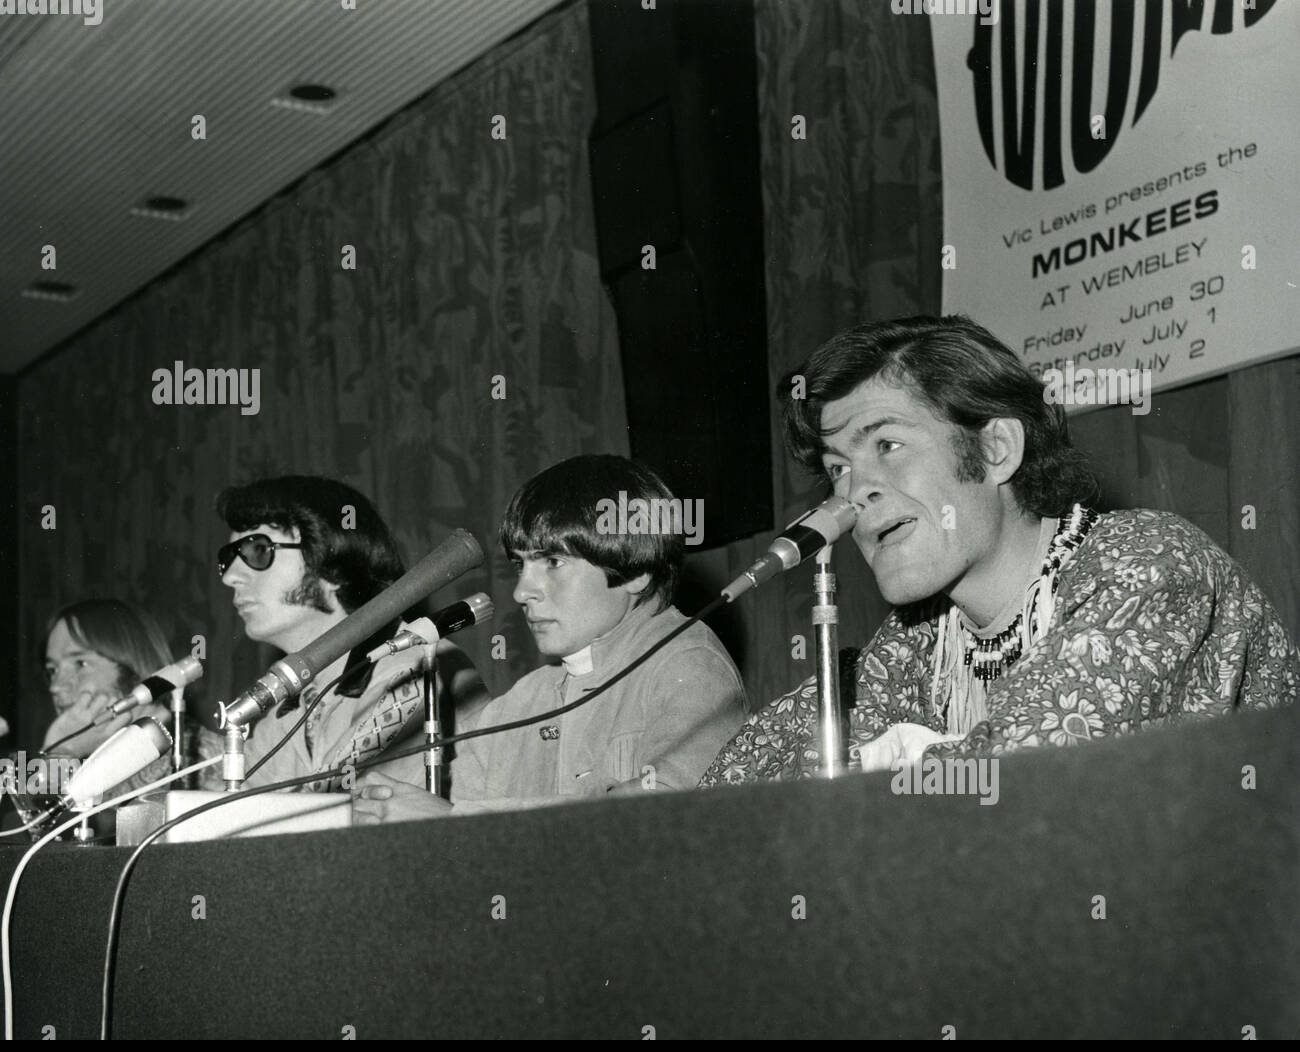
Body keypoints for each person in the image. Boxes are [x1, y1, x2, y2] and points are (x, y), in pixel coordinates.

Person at [699, 314, 1300, 785]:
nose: (853, 495)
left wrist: (899, 765)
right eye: (837, 469)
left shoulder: (1147, 563)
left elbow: (1029, 776)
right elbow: (737, 783)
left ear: (996, 450)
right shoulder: (919, 638)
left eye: (887, 444)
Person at [353, 455, 748, 822]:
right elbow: (439, 805)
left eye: (553, 562)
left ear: (635, 569)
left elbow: (666, 818)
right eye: (521, 566)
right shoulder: (522, 702)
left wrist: (452, 821)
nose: (522, 592)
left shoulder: (688, 664)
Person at [216, 475, 488, 792]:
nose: (231, 577)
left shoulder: (414, 667)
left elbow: (348, 813)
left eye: (257, 550)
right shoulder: (284, 715)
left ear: (330, 560)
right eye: (228, 559)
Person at [1, 599, 221, 837]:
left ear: (135, 663)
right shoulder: (95, 752)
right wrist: (64, 750)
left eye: (80, 663)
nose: (56, 687)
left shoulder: (199, 758)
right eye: (52, 670)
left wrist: (63, 750)